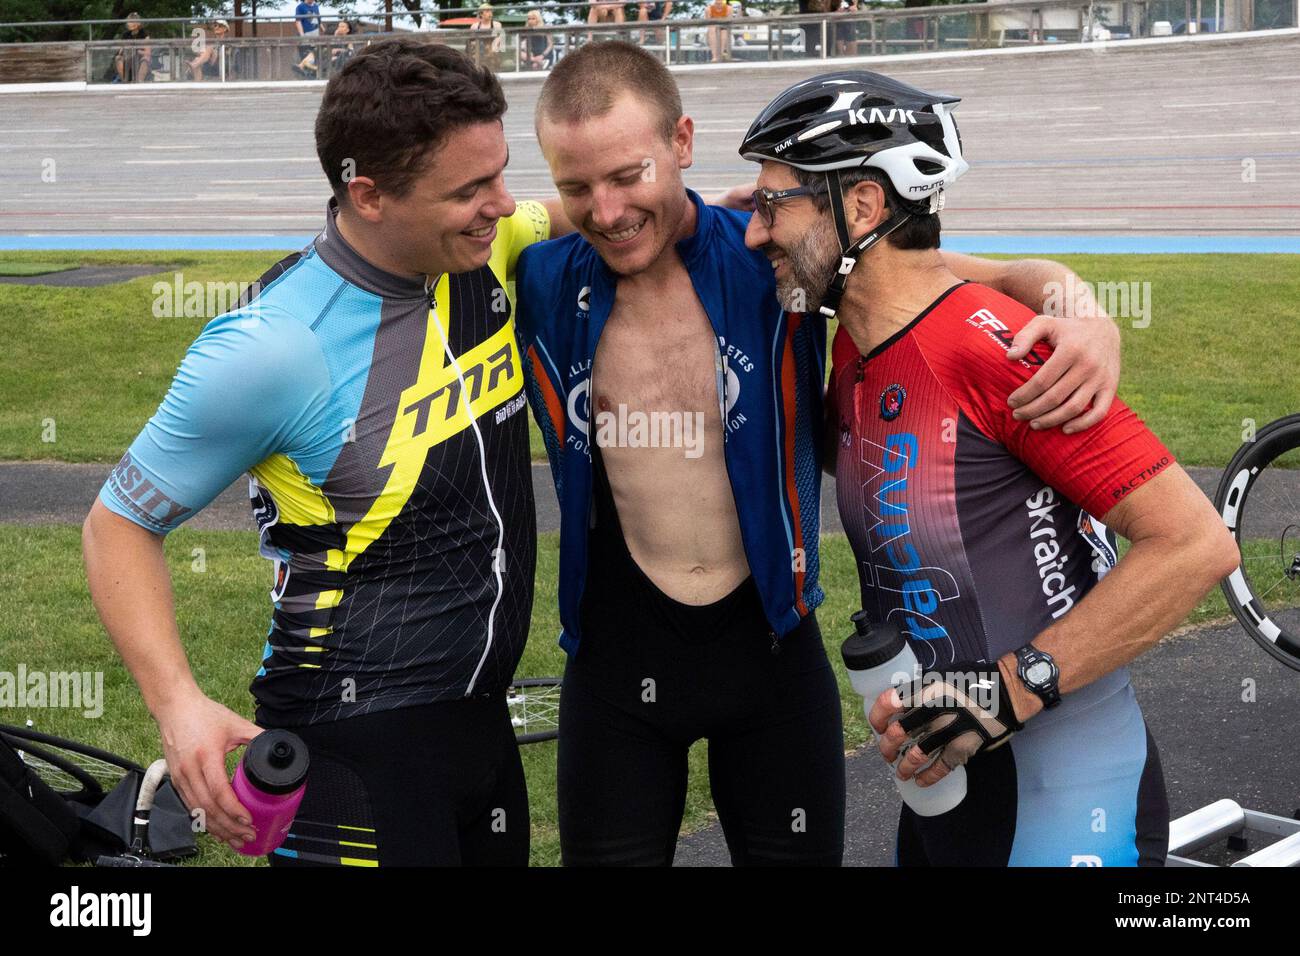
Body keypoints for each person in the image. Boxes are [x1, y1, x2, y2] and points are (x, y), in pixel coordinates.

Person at [514, 41, 1123, 866]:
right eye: (576, 185)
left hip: (770, 653)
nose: (608, 208)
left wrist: (1082, 307)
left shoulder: (775, 257)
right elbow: (447, 219)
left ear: (682, 145)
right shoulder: (542, 279)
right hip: (616, 666)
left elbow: (958, 272)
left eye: (630, 175)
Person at [83, 38, 578, 867]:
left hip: (480, 725)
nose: (502, 203)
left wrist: (713, 210)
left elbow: (575, 214)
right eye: (470, 189)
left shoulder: (478, 246)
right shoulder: (273, 347)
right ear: (370, 194)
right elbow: (117, 524)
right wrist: (177, 703)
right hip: (353, 746)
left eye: (500, 172)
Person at [740, 71, 1239, 865]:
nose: (754, 233)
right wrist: (1060, 284)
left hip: (1067, 779)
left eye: (772, 206)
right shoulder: (855, 336)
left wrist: (1009, 688)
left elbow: (1196, 544)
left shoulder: (996, 349)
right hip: (946, 771)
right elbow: (961, 270)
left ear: (863, 207)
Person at [112, 13, 152, 84]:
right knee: (118, 58)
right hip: (128, 59)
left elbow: (148, 53)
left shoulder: (144, 35)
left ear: (137, 23)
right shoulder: (125, 35)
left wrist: (136, 51)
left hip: (139, 59)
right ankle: (125, 81)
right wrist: (124, 50)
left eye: (131, 21)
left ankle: (139, 82)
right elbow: (120, 51)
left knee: (145, 58)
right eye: (128, 21)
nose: (128, 24)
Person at [470, 3, 505, 67]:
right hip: (479, 52)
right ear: (481, 14)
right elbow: (472, 42)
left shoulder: (497, 25)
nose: (490, 13)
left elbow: (499, 40)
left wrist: (491, 50)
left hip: (493, 52)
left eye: (491, 11)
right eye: (487, 11)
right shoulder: (474, 26)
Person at [294, 0, 322, 76]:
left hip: (315, 35)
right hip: (306, 34)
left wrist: (323, 30)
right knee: (306, 54)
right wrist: (302, 34)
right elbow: (298, 21)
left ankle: (310, 70)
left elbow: (319, 21)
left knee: (315, 54)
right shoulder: (300, 7)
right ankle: (305, 71)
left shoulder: (316, 6)